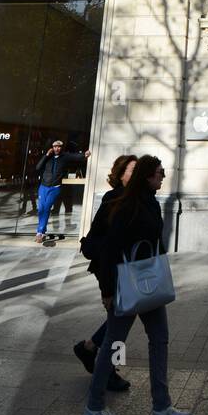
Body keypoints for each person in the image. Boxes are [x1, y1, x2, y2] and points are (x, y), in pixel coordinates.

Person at [81, 155, 192, 415]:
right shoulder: (125, 204)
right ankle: (93, 408)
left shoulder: (151, 202)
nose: (163, 176)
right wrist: (107, 289)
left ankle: (162, 408)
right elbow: (109, 248)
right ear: (146, 176)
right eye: (159, 172)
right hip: (125, 284)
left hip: (148, 283)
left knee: (160, 339)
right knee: (112, 343)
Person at [73, 153, 137, 390]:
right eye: (132, 170)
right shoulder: (114, 199)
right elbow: (104, 244)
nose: (138, 173)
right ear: (120, 176)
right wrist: (107, 288)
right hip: (112, 268)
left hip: (127, 269)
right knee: (120, 320)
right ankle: (104, 371)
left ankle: (89, 348)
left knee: (122, 317)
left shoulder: (136, 198)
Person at [34, 139, 91, 245]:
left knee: (46, 208)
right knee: (41, 209)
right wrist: (46, 155)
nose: (57, 148)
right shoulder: (48, 157)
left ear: (61, 147)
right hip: (43, 187)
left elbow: (75, 156)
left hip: (55, 188)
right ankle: (42, 230)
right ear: (52, 147)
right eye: (55, 146)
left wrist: (85, 154)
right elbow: (38, 167)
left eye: (59, 146)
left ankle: (40, 232)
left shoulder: (65, 157)